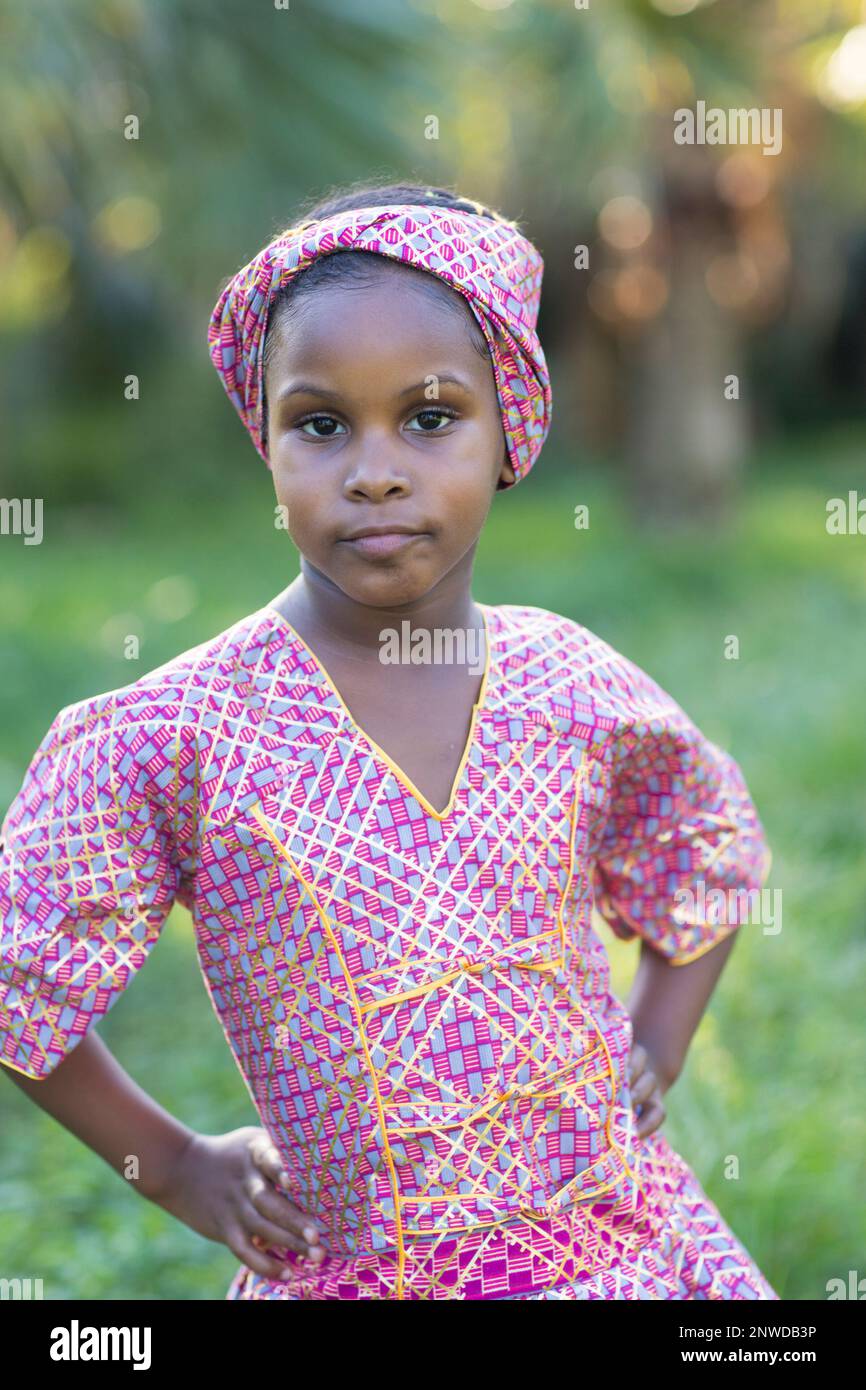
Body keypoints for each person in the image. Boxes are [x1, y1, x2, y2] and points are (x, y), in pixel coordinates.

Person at [0, 181, 779, 1300]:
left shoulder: (567, 681)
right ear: (264, 441)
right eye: (320, 424)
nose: (374, 469)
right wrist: (171, 1163)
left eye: (428, 417)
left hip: (624, 1256)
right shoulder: (181, 736)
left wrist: (654, 1042)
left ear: (509, 425)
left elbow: (704, 843)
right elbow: (20, 969)